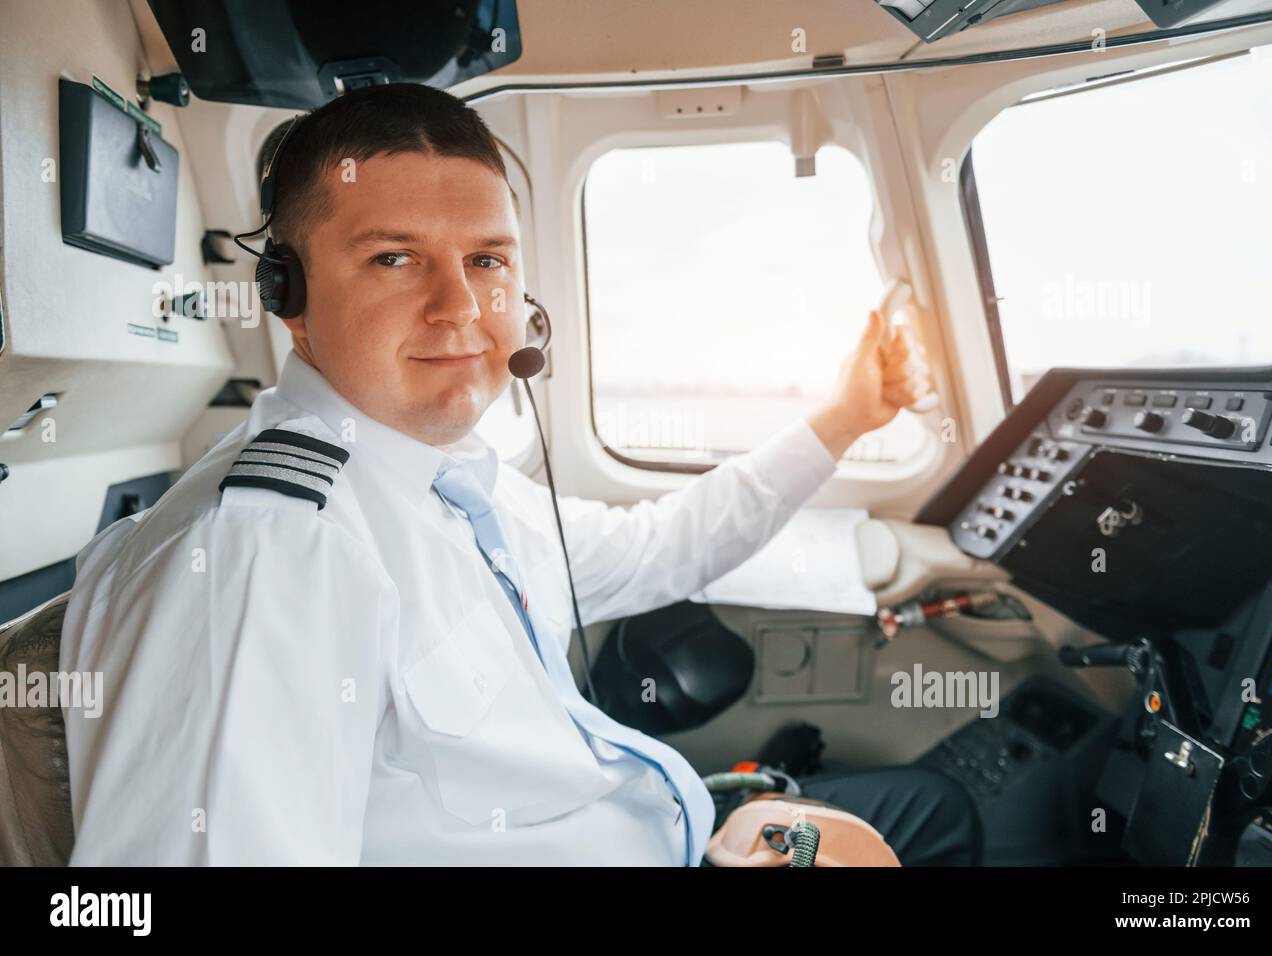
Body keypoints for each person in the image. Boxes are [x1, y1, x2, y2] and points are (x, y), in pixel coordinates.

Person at [59, 83, 977, 866]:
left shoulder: (451, 480)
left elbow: (662, 549)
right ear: (288, 301)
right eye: (394, 258)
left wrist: (851, 415)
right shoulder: (271, 553)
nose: (461, 308)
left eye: (487, 260)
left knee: (928, 811)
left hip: (675, 839)